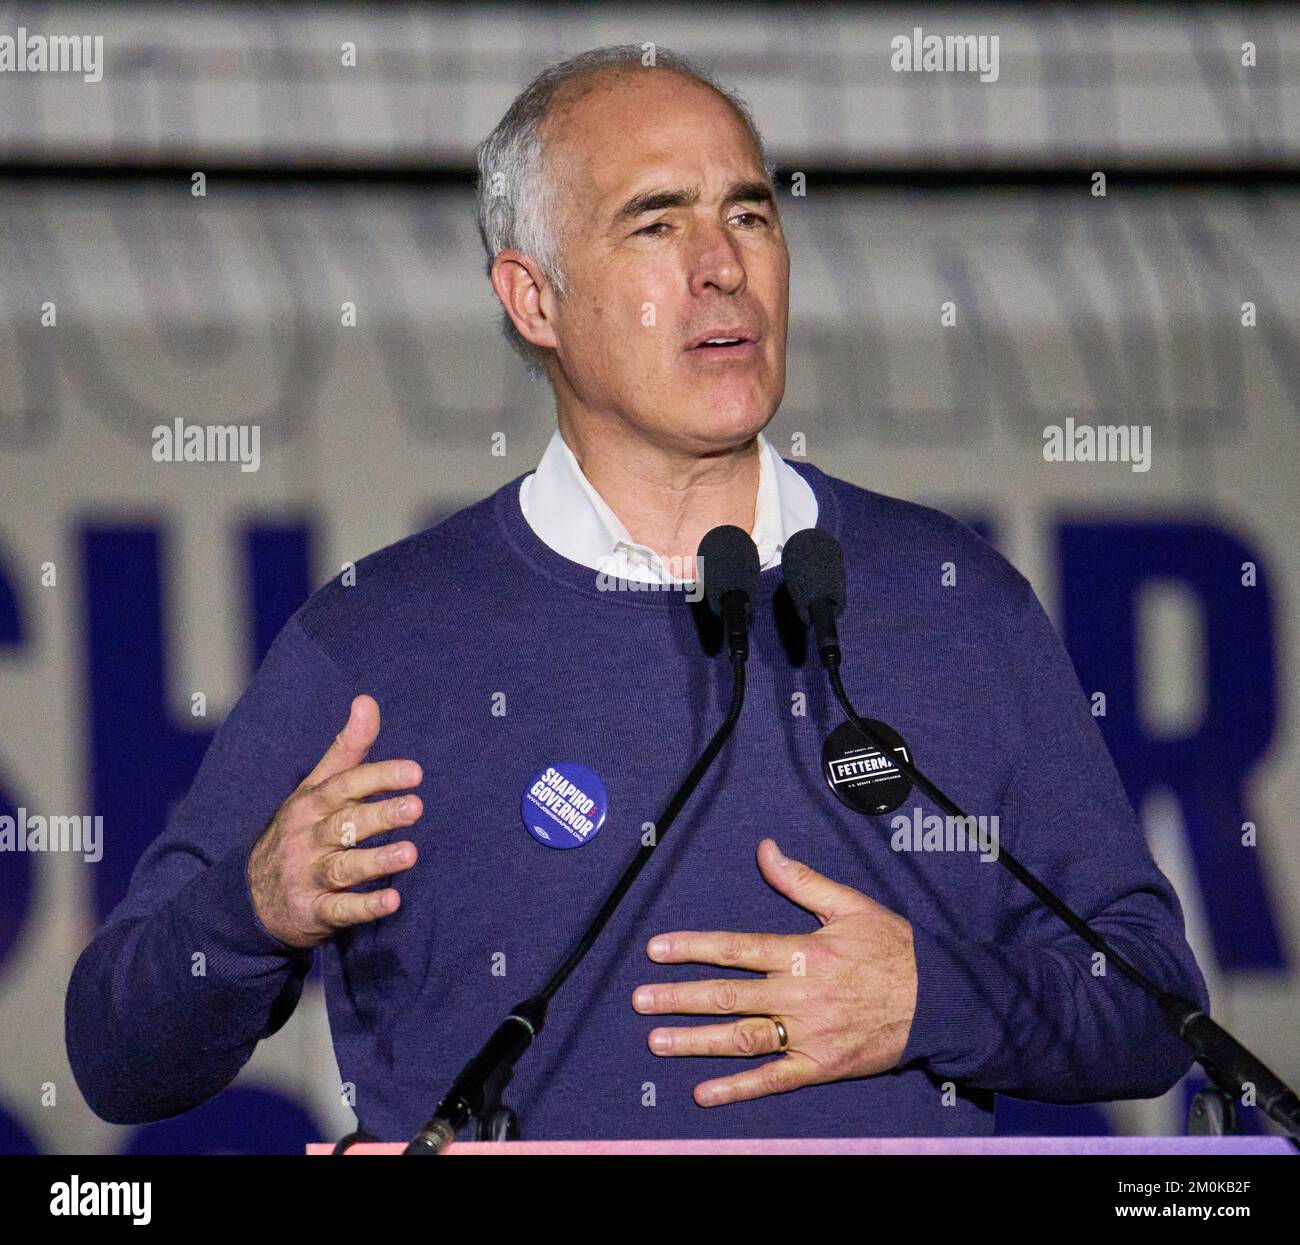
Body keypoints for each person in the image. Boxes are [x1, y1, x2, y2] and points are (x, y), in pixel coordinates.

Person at [66, 45, 1207, 1142]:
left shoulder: (954, 604)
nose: (723, 266)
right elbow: (118, 1057)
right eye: (656, 224)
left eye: (750, 215)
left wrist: (937, 999)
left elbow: (1155, 1003)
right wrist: (252, 910)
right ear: (534, 300)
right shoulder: (376, 641)